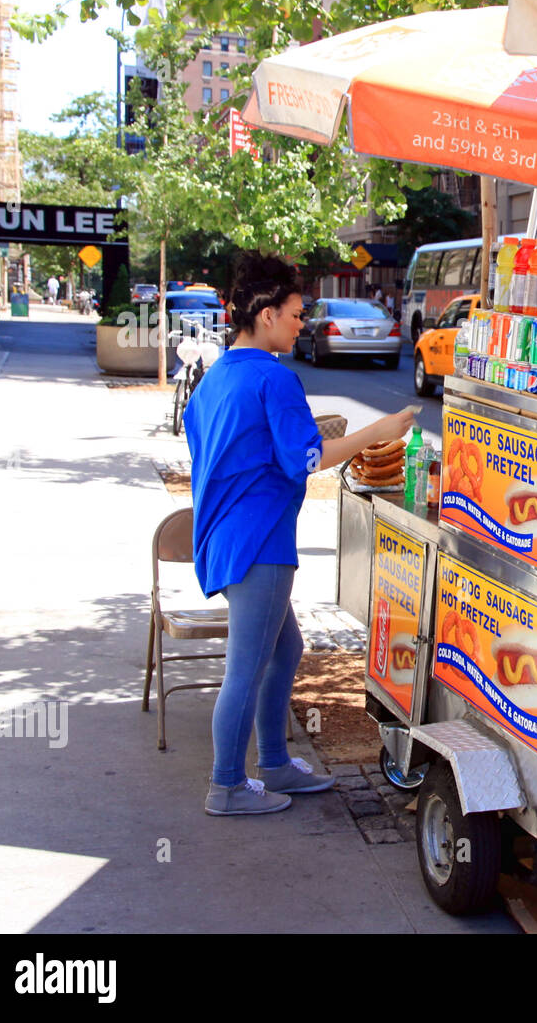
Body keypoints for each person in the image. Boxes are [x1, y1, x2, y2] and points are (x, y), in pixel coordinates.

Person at [183, 251, 416, 816]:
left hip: (224, 535)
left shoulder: (216, 375)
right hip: (259, 542)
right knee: (247, 667)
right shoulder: (275, 378)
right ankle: (227, 787)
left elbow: (227, 448)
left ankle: (274, 763)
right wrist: (377, 431)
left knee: (286, 648)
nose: (301, 323)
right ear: (264, 315)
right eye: (294, 313)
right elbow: (305, 458)